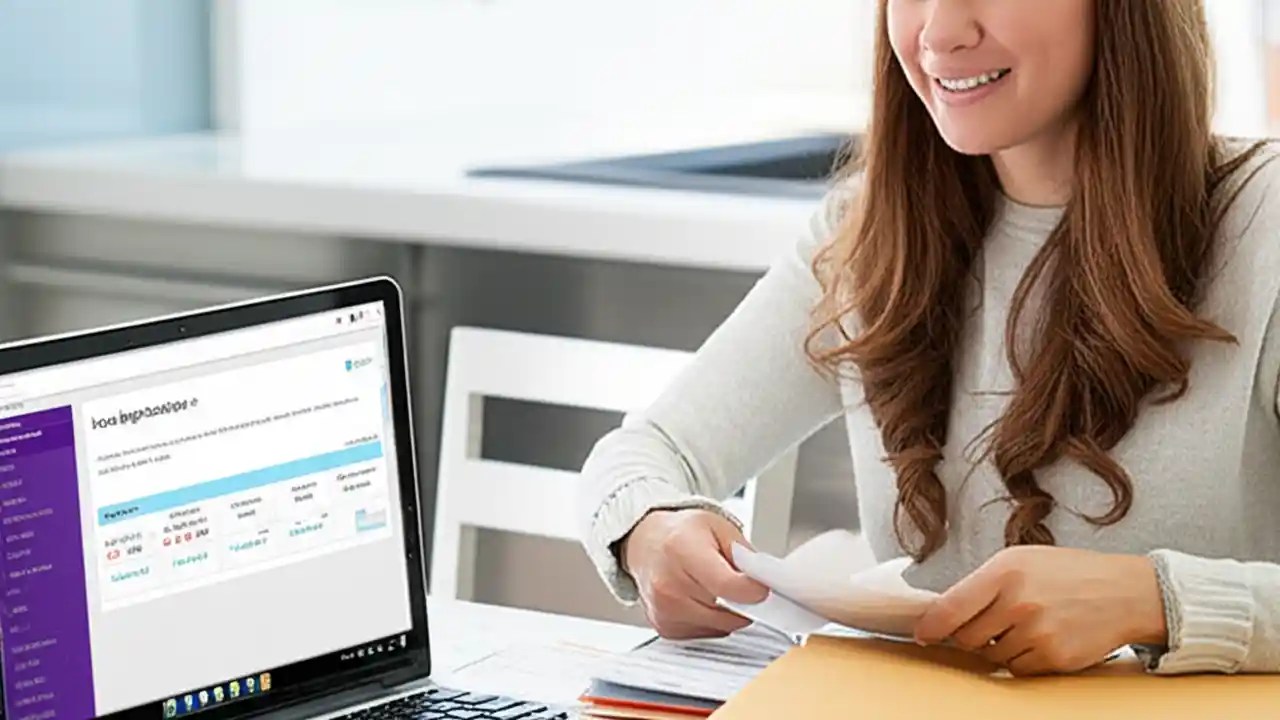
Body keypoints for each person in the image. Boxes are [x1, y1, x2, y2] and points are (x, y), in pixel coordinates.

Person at [575, 0, 1280, 677]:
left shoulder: (1264, 224)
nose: (940, 32)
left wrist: (1152, 600)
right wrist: (650, 530)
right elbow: (646, 454)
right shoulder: (868, 238)